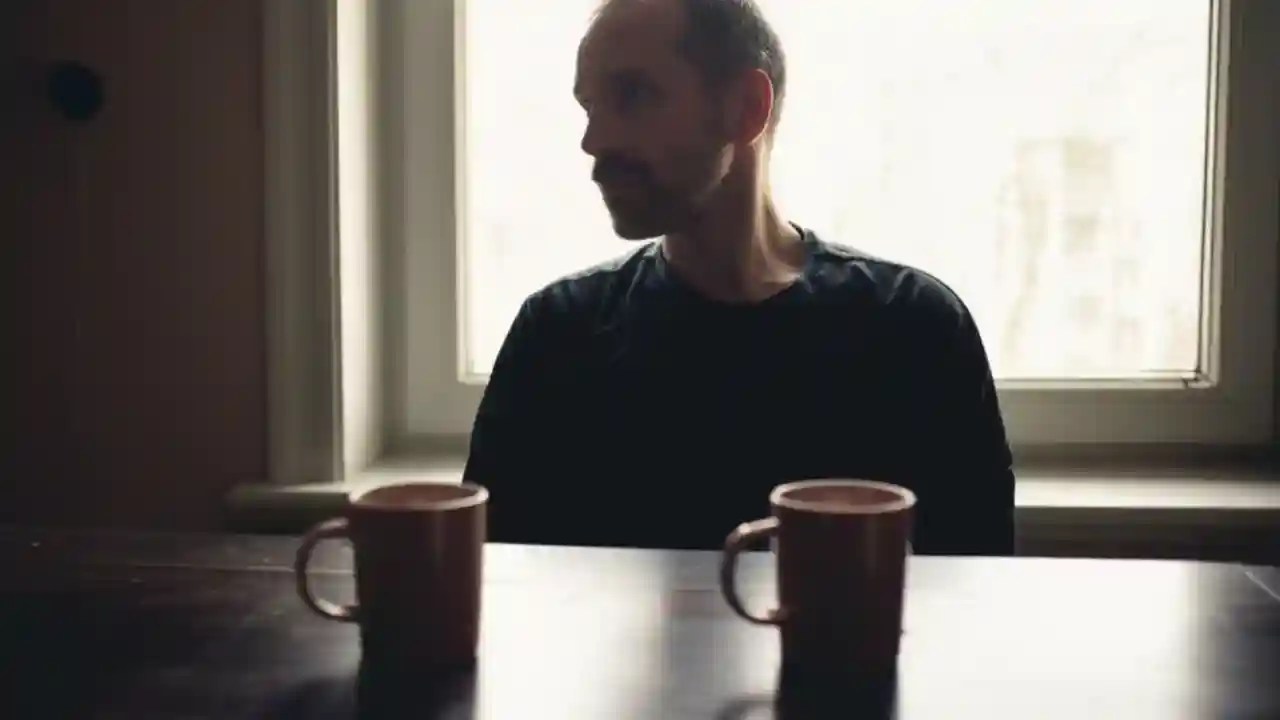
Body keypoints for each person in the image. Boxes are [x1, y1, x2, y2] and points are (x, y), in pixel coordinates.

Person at [463, 0, 1015, 555]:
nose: (594, 141)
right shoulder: (557, 338)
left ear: (747, 108)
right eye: (589, 107)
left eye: (633, 95)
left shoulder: (914, 334)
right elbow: (498, 582)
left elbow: (977, 586)